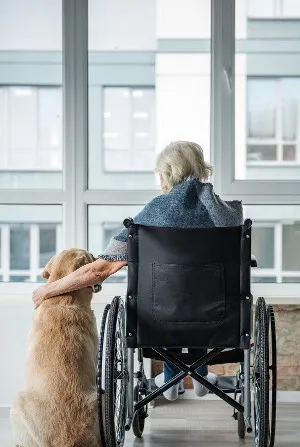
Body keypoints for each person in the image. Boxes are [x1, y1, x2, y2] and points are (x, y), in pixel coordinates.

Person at [33, 141, 243, 401]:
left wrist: (48, 289)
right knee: (199, 292)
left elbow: (99, 270)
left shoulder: (151, 215)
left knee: (169, 295)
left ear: (166, 175)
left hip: (159, 319)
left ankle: (170, 380)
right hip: (219, 316)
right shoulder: (227, 217)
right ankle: (200, 375)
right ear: (201, 169)